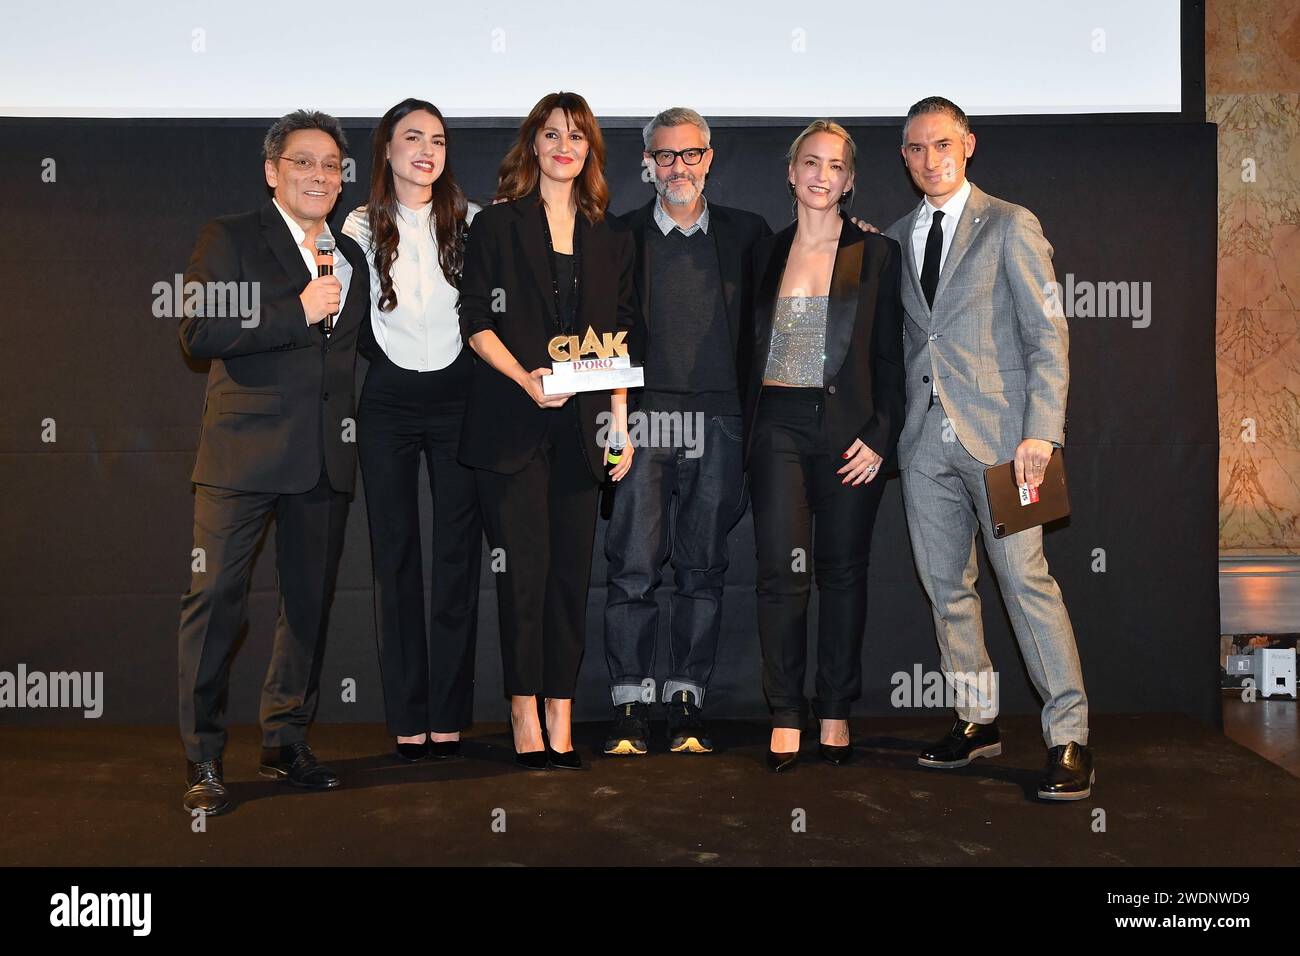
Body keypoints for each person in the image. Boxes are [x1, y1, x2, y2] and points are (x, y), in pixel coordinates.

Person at [883, 96, 1092, 800]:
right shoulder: (896, 237)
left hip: (1008, 444)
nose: (929, 159)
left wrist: (1043, 432)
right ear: (905, 157)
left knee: (1026, 585)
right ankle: (977, 722)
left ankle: (1068, 737)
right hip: (924, 446)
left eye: (941, 144)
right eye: (915, 149)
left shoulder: (1010, 224)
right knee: (948, 592)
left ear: (968, 144)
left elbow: (1047, 335)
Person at [177, 110, 369, 815]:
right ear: (272, 171)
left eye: (330, 165)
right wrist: (295, 308)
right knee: (215, 603)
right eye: (303, 162)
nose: (319, 175)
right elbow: (198, 329)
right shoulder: (229, 237)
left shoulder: (351, 257)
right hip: (242, 459)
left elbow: (359, 355)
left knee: (307, 608)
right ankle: (202, 757)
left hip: (324, 462)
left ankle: (286, 740)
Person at [457, 92, 637, 771]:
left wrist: (620, 426)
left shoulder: (611, 235)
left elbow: (622, 335)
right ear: (532, 144)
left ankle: (561, 711)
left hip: (584, 434)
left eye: (579, 137)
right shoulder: (497, 227)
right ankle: (523, 712)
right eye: (553, 134)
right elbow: (475, 320)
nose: (566, 145)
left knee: (569, 577)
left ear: (590, 151)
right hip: (512, 427)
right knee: (523, 578)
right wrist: (525, 379)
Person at [601, 108, 771, 757]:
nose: (679, 166)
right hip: (642, 418)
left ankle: (687, 697)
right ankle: (630, 703)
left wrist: (851, 237)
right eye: (665, 156)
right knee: (634, 567)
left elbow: (793, 297)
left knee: (703, 566)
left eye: (690, 154)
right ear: (647, 164)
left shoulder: (748, 235)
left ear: (709, 157)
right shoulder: (618, 239)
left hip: (722, 420)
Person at [743, 120, 905, 772]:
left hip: (847, 430)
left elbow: (894, 356)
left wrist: (882, 436)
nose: (820, 175)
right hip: (776, 424)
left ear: (850, 180)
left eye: (835, 166)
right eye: (810, 162)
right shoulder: (763, 252)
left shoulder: (876, 254)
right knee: (783, 577)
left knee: (842, 575)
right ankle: (786, 712)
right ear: (791, 172)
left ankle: (834, 709)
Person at [341, 98, 481, 763]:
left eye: (439, 140)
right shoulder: (361, 224)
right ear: (387, 149)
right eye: (413, 138)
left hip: (459, 399)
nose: (428, 149)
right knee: (395, 558)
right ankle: (408, 715)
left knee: (456, 559)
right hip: (389, 403)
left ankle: (450, 713)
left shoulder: (473, 221)